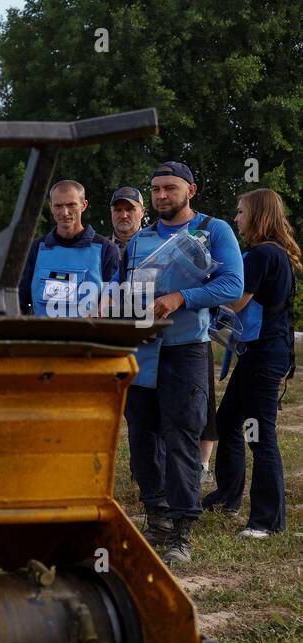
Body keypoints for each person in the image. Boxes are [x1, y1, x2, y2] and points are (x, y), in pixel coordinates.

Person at [119, 160, 244, 563]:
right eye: (155, 189)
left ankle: (183, 530)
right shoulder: (140, 239)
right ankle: (157, 518)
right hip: (143, 349)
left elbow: (232, 283)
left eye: (169, 188)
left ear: (191, 190)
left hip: (185, 349)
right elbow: (128, 288)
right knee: (141, 437)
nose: (161, 196)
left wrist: (180, 298)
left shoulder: (213, 230)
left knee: (182, 437)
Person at [202, 187, 300, 538]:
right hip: (259, 352)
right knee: (227, 423)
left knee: (261, 436)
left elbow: (235, 302)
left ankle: (267, 521)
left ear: (257, 216)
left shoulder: (260, 255)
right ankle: (226, 498)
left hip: (264, 355)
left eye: (241, 212)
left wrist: (201, 289)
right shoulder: (275, 253)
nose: (236, 218)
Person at [18, 180, 119, 317]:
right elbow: (19, 300)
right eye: (58, 206)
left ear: (83, 205)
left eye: (71, 205)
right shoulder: (36, 249)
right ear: (51, 207)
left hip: (87, 336)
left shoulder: (106, 249)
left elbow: (114, 304)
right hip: (41, 336)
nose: (65, 212)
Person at [108, 186, 145, 258]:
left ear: (142, 212)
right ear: (111, 212)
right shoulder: (99, 248)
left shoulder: (157, 247)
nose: (123, 216)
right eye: (118, 210)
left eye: (130, 209)